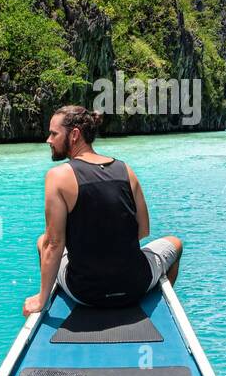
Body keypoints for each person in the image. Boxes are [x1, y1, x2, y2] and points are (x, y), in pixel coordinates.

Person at [23, 105, 182, 316]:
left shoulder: (57, 176)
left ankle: (46, 295)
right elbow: (143, 230)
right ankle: (158, 310)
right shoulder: (126, 170)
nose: (48, 140)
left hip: (86, 293)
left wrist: (40, 301)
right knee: (175, 244)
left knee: (43, 241)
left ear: (74, 135)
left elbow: (55, 244)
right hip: (135, 286)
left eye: (54, 133)